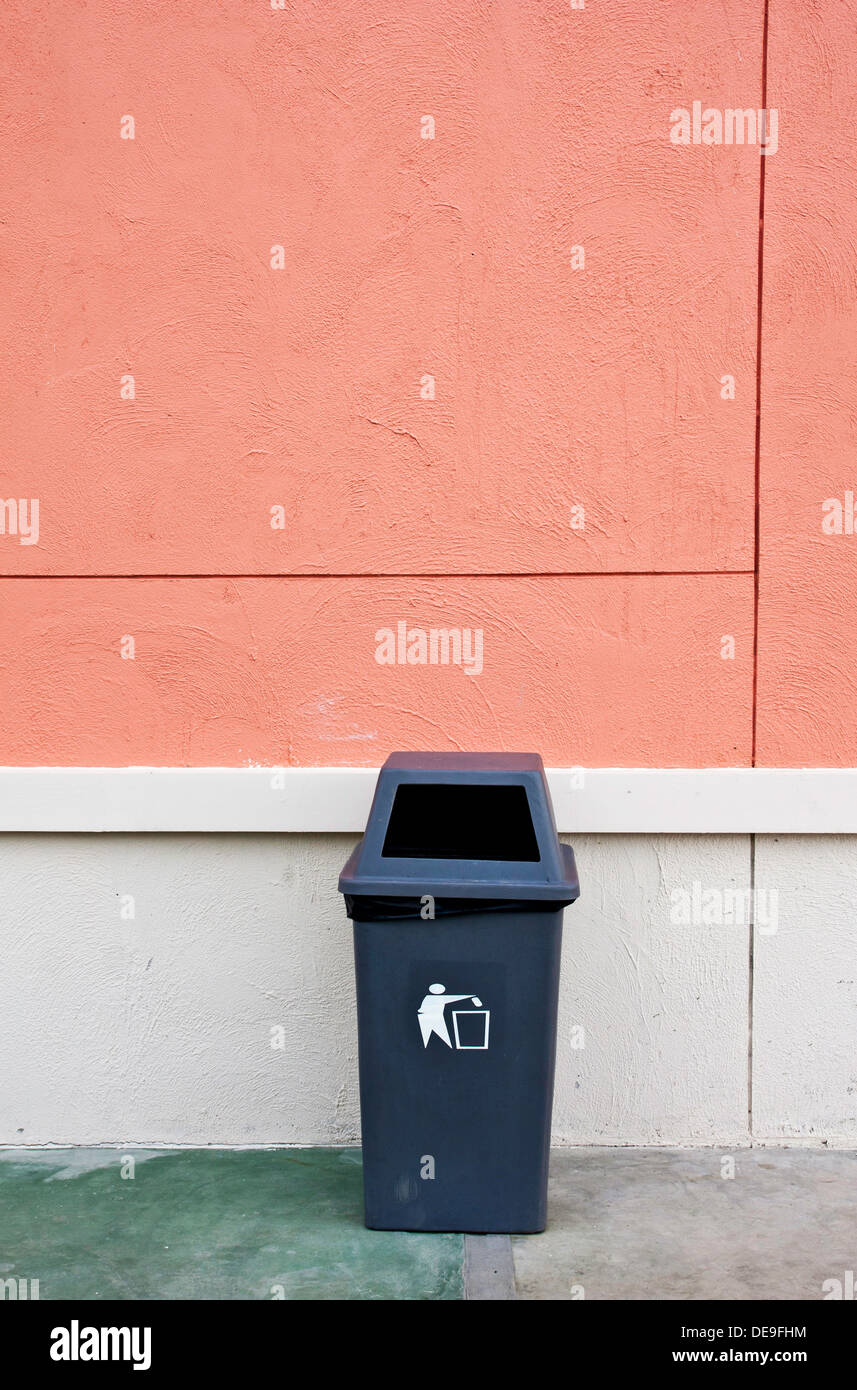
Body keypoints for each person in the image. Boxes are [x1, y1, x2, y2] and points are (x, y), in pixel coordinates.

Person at [417, 983, 482, 1048]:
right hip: (428, 1017)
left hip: (434, 1017)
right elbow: (452, 998)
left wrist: (471, 996)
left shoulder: (433, 998)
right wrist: (471, 996)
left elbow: (451, 998)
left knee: (443, 1040)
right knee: (431, 1039)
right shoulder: (431, 998)